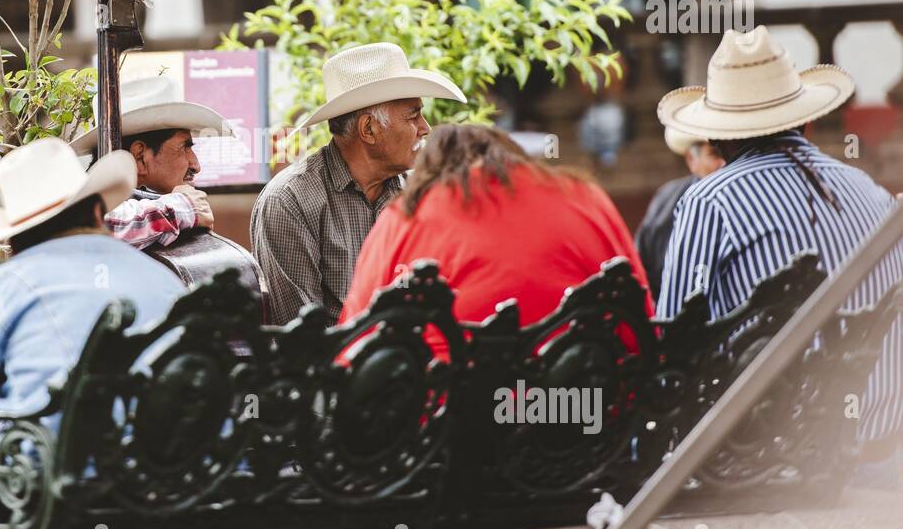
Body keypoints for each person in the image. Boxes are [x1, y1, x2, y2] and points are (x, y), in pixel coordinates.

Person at [0, 137, 186, 529]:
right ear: (98, 211)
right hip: (185, 477)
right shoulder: (162, 278)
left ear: (13, 235)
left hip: (79, 488)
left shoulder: (1, 288)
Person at [656, 26, 903, 486]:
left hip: (772, 464)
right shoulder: (872, 193)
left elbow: (673, 345)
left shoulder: (708, 201)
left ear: (717, 138)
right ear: (806, 121)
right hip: (883, 448)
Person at [340, 125, 652, 337]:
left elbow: (356, 340)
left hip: (452, 420)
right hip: (586, 409)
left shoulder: (403, 217)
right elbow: (641, 308)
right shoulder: (583, 195)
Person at [251, 42, 467, 325]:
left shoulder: (419, 191)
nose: (425, 128)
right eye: (413, 116)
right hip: (337, 366)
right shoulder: (291, 200)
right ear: (368, 129)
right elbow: (300, 337)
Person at [72, 77, 232, 250]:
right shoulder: (79, 205)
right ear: (140, 156)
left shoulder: (127, 201)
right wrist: (184, 207)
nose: (195, 165)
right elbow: (93, 226)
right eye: (184, 147)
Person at [633, 127, 726, 301]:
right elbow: (642, 263)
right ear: (692, 160)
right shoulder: (666, 199)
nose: (723, 163)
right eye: (714, 154)